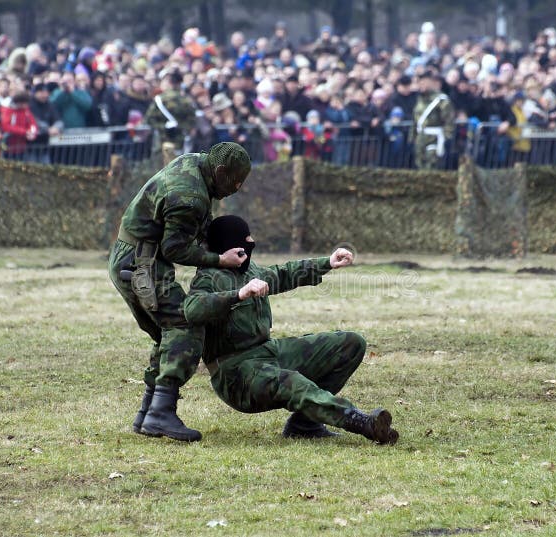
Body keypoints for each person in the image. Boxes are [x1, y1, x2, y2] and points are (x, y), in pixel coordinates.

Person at [183, 215, 399, 444]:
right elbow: (192, 310)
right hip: (237, 375)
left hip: (268, 352)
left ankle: (304, 425)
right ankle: (363, 423)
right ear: (230, 245)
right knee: (295, 384)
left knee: (351, 344)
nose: (251, 244)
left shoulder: (247, 270)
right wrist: (238, 294)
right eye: (246, 241)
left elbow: (283, 274)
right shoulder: (207, 278)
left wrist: (327, 262)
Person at [108, 141, 251, 442]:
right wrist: (218, 259)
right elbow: (175, 247)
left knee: (167, 331)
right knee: (184, 322)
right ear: (221, 171)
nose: (237, 187)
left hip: (139, 255)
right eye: (235, 181)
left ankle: (148, 411)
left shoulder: (197, 165)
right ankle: (160, 413)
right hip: (140, 263)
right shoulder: (190, 195)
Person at [411, 69, 455, 170]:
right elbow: (415, 120)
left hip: (435, 139)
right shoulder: (420, 100)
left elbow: (449, 121)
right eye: (419, 82)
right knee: (420, 167)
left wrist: (446, 138)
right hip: (420, 138)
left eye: (424, 81)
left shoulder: (441, 100)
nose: (421, 85)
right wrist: (413, 137)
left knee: (432, 168)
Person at [144, 70, 196, 150]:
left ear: (170, 83)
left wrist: (163, 127)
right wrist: (181, 127)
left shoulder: (159, 99)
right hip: (180, 139)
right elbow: (192, 120)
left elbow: (149, 119)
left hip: (162, 139)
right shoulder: (186, 100)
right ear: (180, 84)